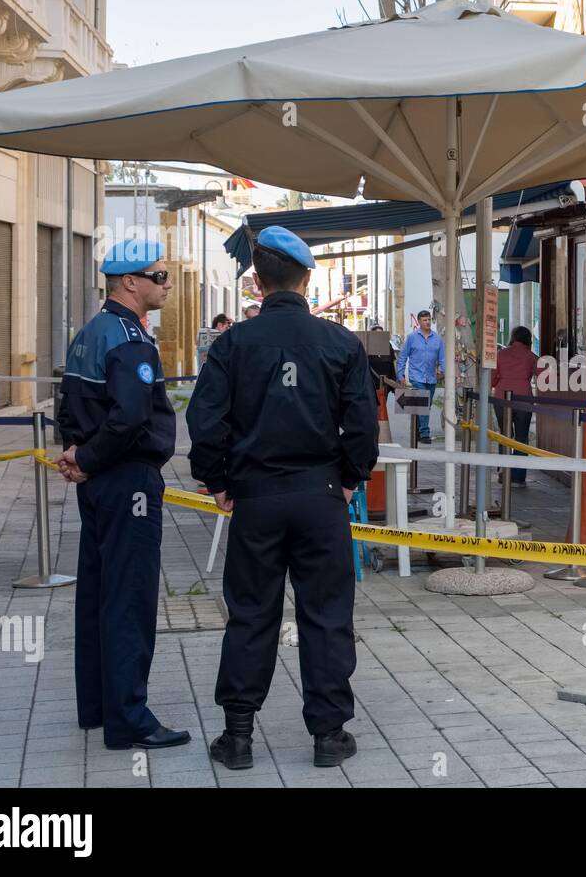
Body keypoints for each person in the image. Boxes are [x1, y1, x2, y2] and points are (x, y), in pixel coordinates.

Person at [186, 226, 379, 770]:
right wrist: (349, 478)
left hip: (258, 498)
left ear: (257, 282)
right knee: (326, 613)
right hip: (320, 496)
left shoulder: (232, 345)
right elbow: (362, 425)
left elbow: (205, 421)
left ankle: (239, 735)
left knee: (250, 613)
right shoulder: (341, 344)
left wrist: (217, 479)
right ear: (308, 278)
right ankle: (328, 734)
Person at [55, 239, 189, 752]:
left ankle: (97, 706)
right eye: (159, 276)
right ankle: (130, 719)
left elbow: (70, 404)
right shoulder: (130, 337)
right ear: (129, 282)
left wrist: (76, 454)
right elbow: (131, 417)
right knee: (129, 597)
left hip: (98, 483)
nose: (166, 284)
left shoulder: (90, 332)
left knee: (96, 591)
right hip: (127, 480)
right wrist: (85, 460)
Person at [491, 326, 538, 487]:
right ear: (528, 339)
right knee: (521, 437)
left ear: (513, 337)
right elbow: (545, 375)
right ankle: (518, 478)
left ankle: (503, 473)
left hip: (501, 397)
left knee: (504, 434)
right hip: (524, 398)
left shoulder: (500, 354)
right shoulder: (531, 356)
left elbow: (493, 378)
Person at [396, 309, 446, 442]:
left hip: (431, 377)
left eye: (429, 319)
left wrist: (443, 371)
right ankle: (424, 434)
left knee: (425, 406)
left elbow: (442, 359)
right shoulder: (412, 338)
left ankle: (417, 428)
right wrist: (400, 375)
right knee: (423, 405)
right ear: (419, 322)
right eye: (425, 320)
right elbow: (403, 357)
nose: (428, 322)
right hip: (416, 377)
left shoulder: (437, 339)